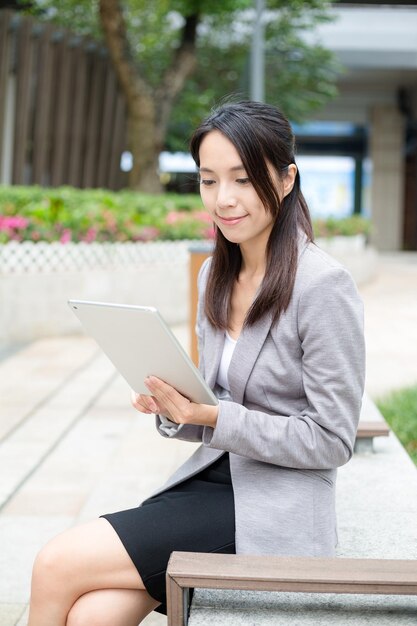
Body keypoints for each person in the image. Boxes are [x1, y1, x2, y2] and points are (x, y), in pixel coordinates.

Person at [28, 101, 365, 626]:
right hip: (210, 481)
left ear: (285, 180)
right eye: (209, 181)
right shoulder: (215, 275)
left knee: (54, 565)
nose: (224, 199)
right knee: (96, 613)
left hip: (275, 504)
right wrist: (174, 408)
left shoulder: (324, 287)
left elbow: (332, 440)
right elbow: (212, 404)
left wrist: (209, 418)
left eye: (243, 179)